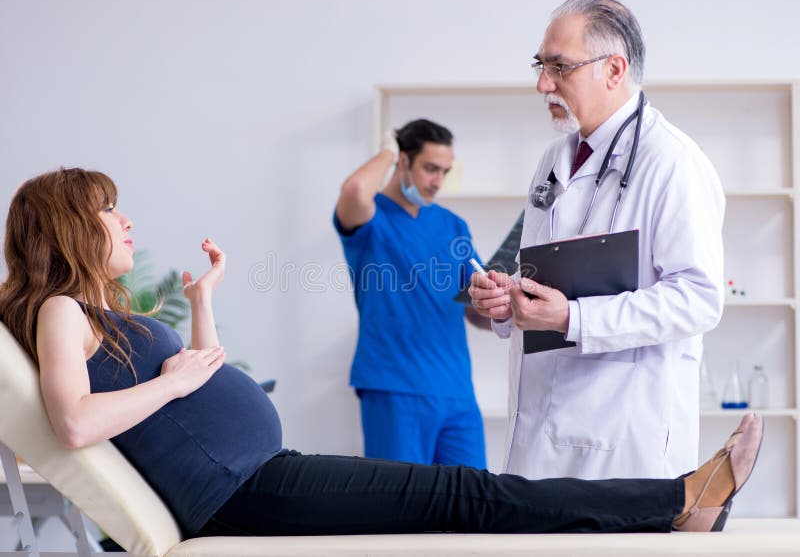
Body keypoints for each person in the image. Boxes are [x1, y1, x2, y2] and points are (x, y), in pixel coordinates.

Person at [0, 167, 760, 537]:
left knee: (470, 491)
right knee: (469, 495)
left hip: (257, 477)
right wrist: (172, 383)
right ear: (68, 228)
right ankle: (676, 500)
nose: (125, 221)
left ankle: (673, 504)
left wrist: (200, 306)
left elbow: (190, 385)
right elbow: (73, 422)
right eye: (108, 211)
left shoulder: (99, 311)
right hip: (243, 495)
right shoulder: (63, 309)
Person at [469, 0, 725, 481]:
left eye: (560, 67)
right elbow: (545, 278)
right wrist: (508, 301)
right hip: (538, 438)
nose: (544, 84)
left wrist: (573, 318)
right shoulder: (554, 160)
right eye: (540, 65)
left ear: (614, 69)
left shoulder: (673, 163)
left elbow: (698, 299)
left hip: (623, 440)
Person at [334, 119, 490, 469]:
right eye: (430, 169)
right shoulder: (370, 219)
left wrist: (499, 304)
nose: (437, 182)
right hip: (395, 387)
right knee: (401, 515)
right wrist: (389, 148)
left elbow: (476, 313)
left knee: (475, 508)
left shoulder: (453, 225)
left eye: (445, 172)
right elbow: (356, 190)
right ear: (403, 161)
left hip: (456, 391)